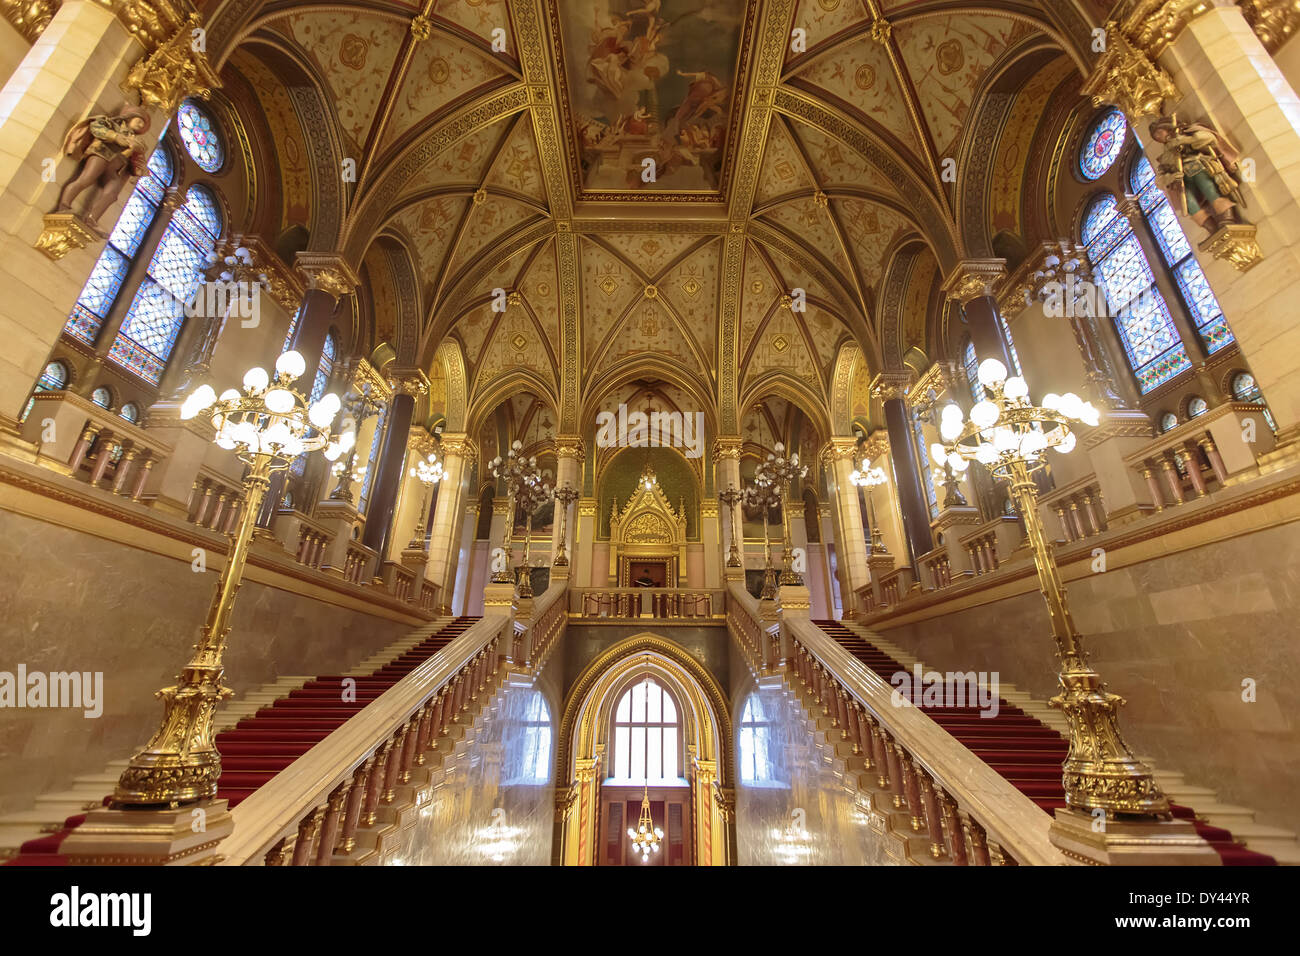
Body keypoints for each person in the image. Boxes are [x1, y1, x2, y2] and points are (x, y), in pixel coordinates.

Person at [57, 105, 152, 230]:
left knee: (113, 192)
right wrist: (115, 137)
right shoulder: (112, 124)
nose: (140, 125)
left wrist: (139, 162)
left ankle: (91, 219)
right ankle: (64, 206)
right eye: (139, 121)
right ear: (130, 117)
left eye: (142, 124)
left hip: (115, 165)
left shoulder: (135, 139)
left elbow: (137, 160)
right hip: (102, 154)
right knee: (86, 179)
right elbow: (96, 128)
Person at [1149, 116, 1246, 238]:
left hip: (1198, 167)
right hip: (1182, 180)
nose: (1158, 137)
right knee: (1188, 203)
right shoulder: (1165, 156)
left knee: (1209, 188)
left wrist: (1185, 140)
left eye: (1159, 132)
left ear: (1167, 128)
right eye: (1156, 137)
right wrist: (1172, 177)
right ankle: (1212, 227)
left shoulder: (1187, 133)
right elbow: (1160, 180)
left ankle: (1227, 217)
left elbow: (1210, 138)